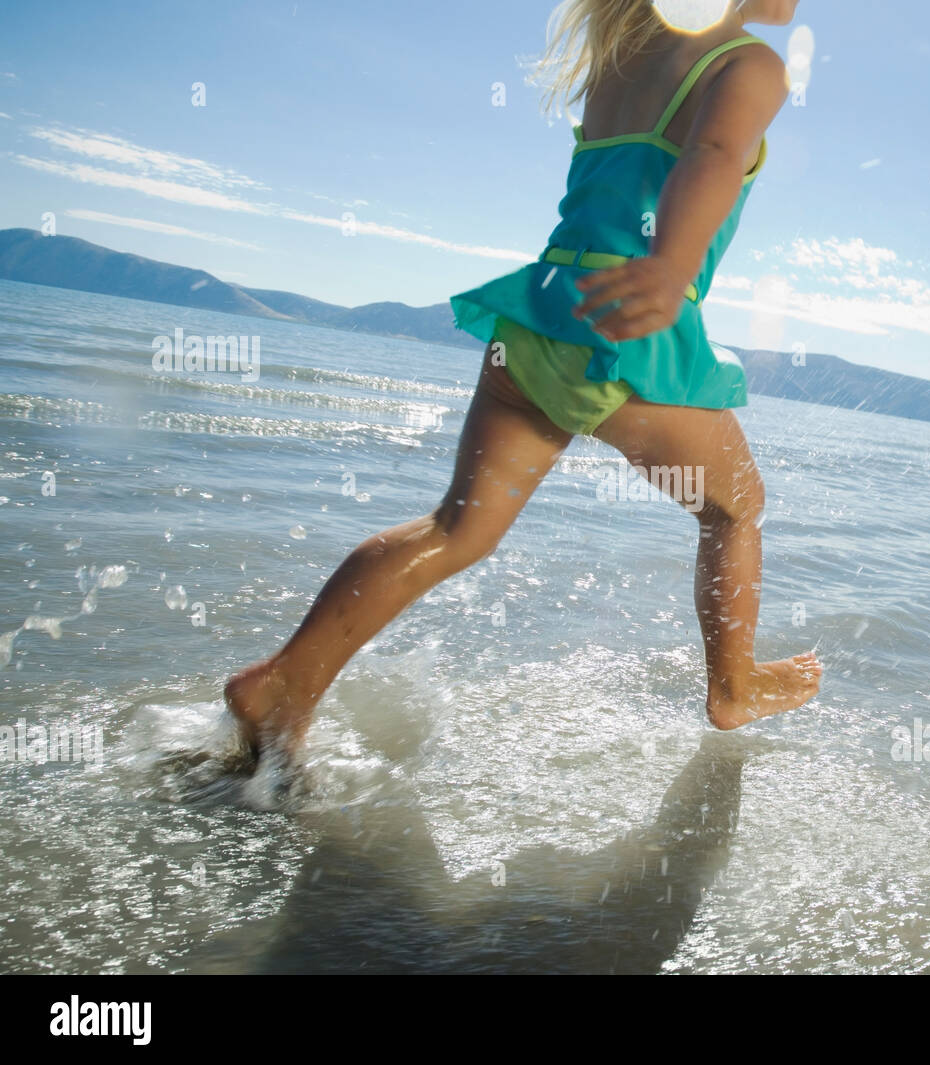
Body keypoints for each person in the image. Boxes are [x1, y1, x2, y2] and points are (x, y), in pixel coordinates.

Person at [224, 0, 821, 761]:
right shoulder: (749, 64)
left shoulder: (625, 55)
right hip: (622, 329)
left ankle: (283, 683)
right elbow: (714, 150)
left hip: (537, 316)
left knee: (454, 530)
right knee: (737, 508)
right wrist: (671, 266)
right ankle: (734, 686)